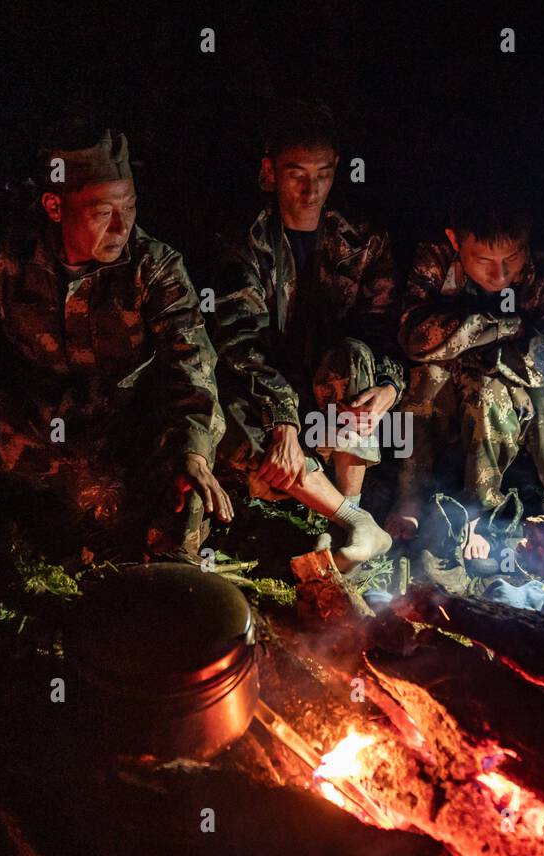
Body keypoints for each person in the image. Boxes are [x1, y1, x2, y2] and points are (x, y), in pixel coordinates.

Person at [0, 128, 231, 559]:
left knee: (187, 460)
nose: (121, 226)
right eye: (102, 212)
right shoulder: (5, 264)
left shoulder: (153, 267)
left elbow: (193, 368)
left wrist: (196, 452)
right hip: (40, 435)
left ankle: (165, 581)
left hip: (126, 438)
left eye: (129, 207)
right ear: (55, 207)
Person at [211, 101, 401, 569]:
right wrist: (284, 422)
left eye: (323, 173)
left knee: (354, 355)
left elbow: (379, 329)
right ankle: (347, 521)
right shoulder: (246, 241)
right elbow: (241, 342)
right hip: (269, 392)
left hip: (330, 392)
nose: (310, 188)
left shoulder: (362, 239)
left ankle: (349, 525)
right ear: (270, 172)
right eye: (296, 173)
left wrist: (391, 387)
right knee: (226, 414)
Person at [391, 198, 544, 559]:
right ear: (455, 241)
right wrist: (502, 326)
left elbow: (542, 365)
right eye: (484, 262)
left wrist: (460, 343)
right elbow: (416, 341)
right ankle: (410, 495)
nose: (500, 276)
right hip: (451, 386)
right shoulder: (435, 257)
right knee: (424, 375)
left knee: (493, 390)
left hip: (524, 394)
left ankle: (527, 509)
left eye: (511, 259)